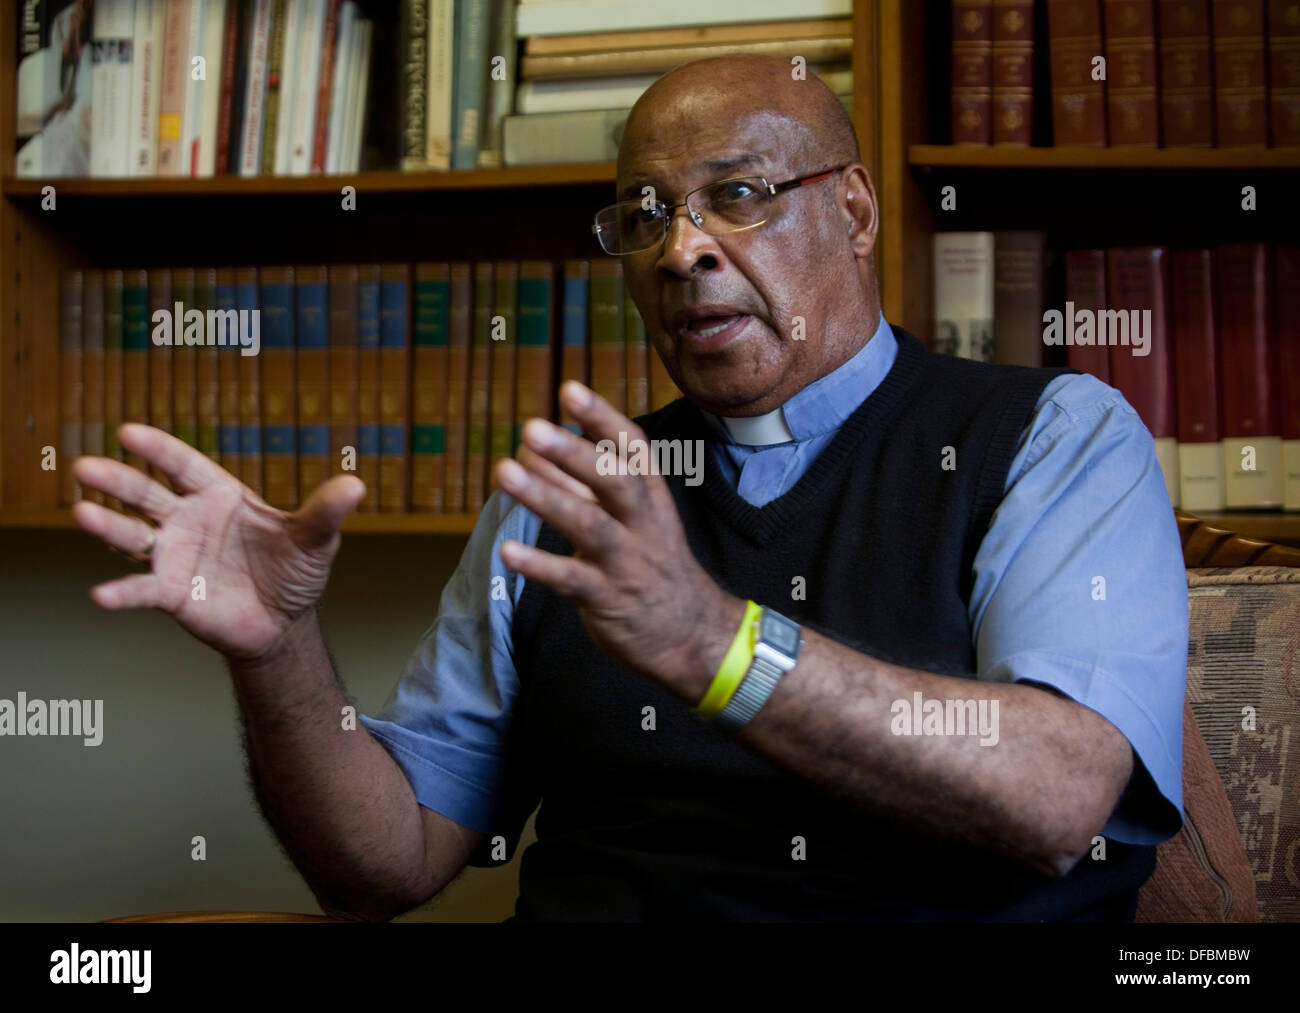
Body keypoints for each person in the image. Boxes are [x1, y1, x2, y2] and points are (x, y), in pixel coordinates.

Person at [71, 55, 1186, 922]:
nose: (680, 251)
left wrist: (712, 640)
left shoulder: (1051, 434)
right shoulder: (570, 490)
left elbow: (1058, 795)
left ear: (852, 211)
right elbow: (386, 865)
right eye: (643, 216)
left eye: (735, 196)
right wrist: (279, 651)